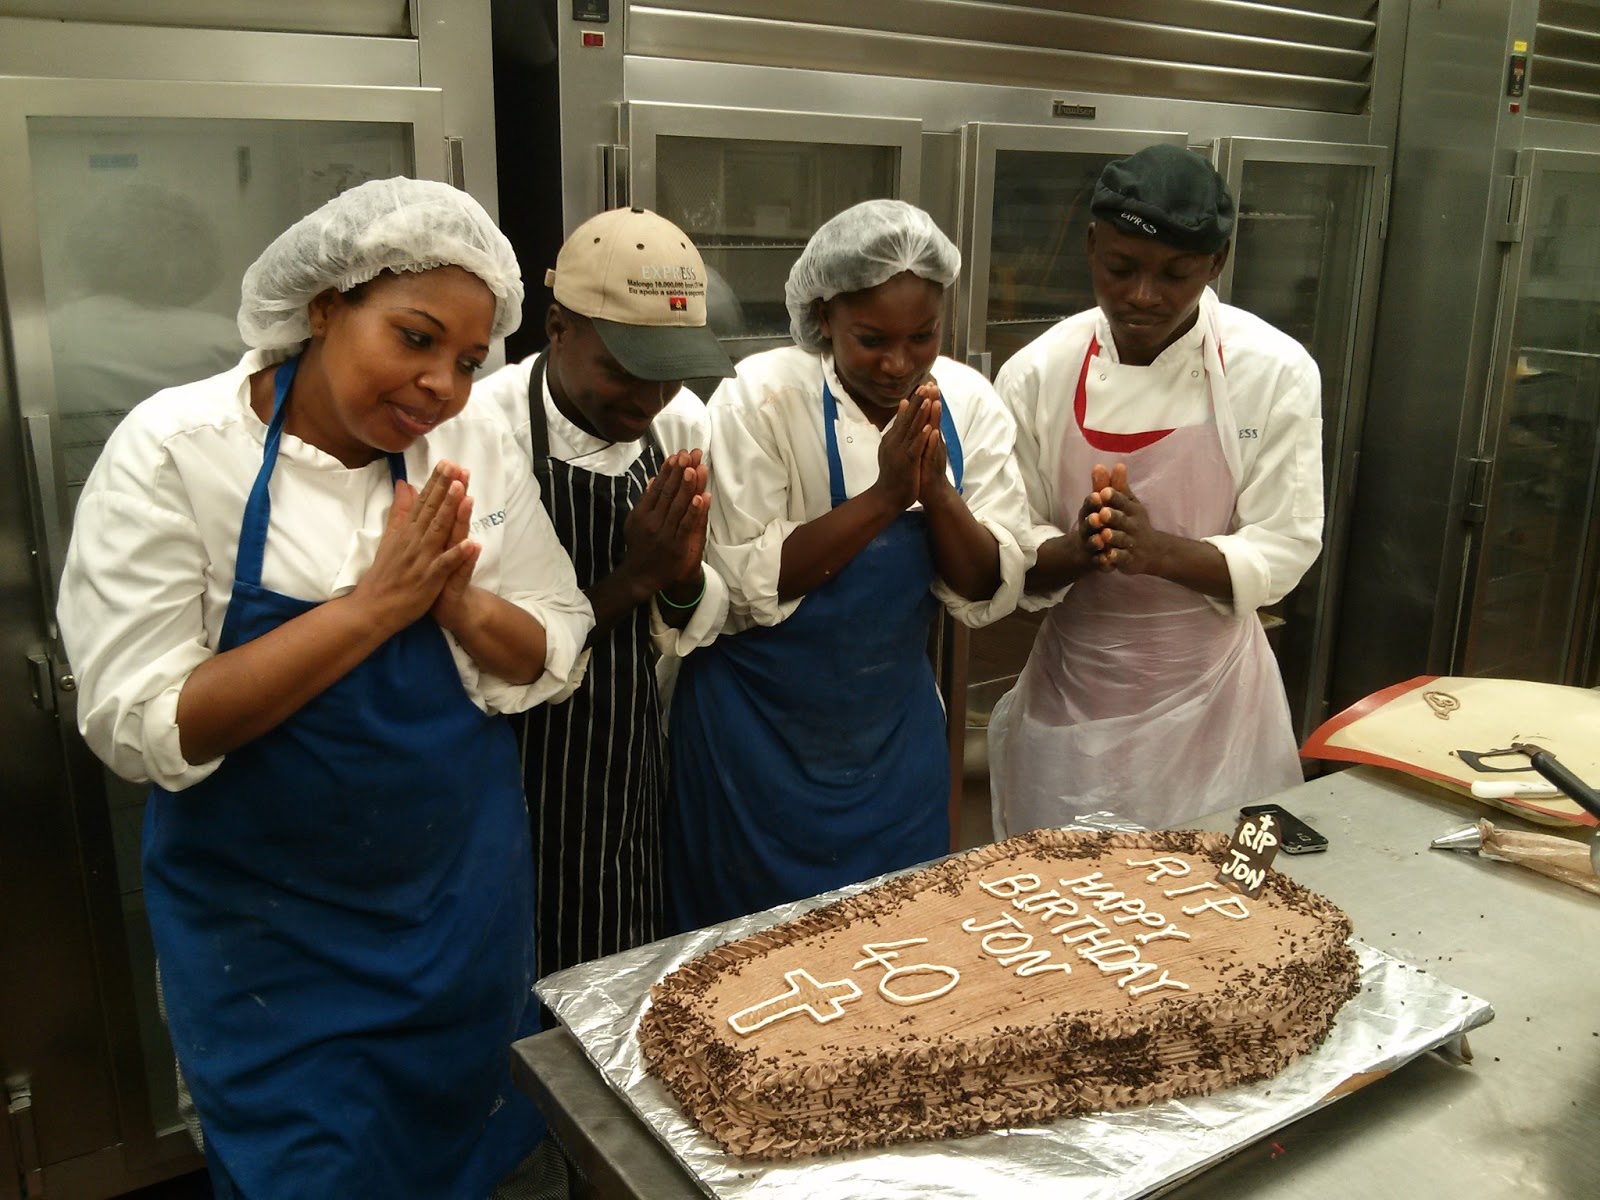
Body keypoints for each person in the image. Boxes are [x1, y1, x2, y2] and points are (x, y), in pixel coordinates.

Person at [56, 177, 593, 1198]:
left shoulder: (469, 445)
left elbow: (555, 643)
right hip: (273, 953)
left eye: (468, 360)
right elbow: (142, 725)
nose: (441, 385)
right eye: (415, 337)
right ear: (322, 307)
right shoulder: (178, 451)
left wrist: (457, 605)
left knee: (489, 1160)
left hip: (458, 914)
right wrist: (371, 611)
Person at [663, 198, 1032, 932]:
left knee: (898, 940)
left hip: (890, 736)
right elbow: (742, 585)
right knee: (744, 953)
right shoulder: (763, 396)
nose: (898, 364)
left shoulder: (966, 402)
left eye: (922, 336)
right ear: (823, 316)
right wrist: (888, 496)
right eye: (871, 340)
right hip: (754, 735)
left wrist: (936, 492)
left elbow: (988, 581)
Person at [988, 142, 1323, 836]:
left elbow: (1286, 545)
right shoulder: (1037, 373)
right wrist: (1079, 549)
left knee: (1216, 893)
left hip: (1216, 705)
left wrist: (1159, 551)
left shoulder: (1273, 370)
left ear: (1217, 262)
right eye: (1121, 268)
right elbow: (1009, 542)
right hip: (1074, 695)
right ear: (1090, 246)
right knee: (1066, 891)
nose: (1143, 295)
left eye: (1176, 274)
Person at [473, 206, 735, 984]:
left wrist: (679, 576)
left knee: (614, 965)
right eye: (623, 370)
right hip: (508, 759)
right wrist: (636, 577)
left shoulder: (680, 422)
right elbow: (486, 647)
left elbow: (686, 615)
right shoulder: (484, 429)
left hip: (624, 753)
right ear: (557, 328)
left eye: (669, 370)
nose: (648, 400)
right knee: (511, 961)